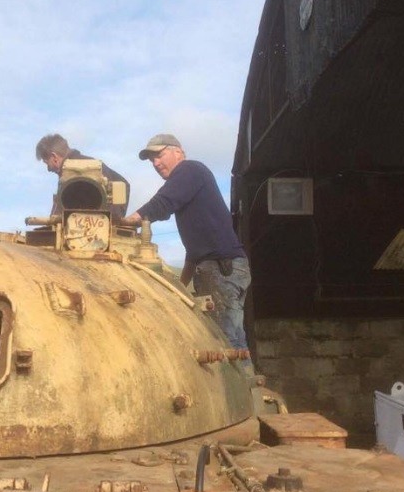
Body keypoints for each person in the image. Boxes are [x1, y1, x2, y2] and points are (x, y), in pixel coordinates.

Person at [120, 133, 252, 371]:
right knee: (232, 337)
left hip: (222, 268)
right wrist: (180, 287)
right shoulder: (191, 190)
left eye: (159, 155)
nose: (156, 163)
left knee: (225, 341)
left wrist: (126, 222)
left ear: (178, 152)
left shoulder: (190, 170)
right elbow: (194, 251)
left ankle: (244, 400)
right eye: (152, 160)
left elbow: (162, 203)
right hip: (218, 267)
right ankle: (249, 391)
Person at [35, 133, 130, 220]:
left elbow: (122, 185)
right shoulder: (73, 170)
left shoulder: (85, 169)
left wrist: (111, 220)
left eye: (47, 163)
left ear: (54, 157)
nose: (48, 169)